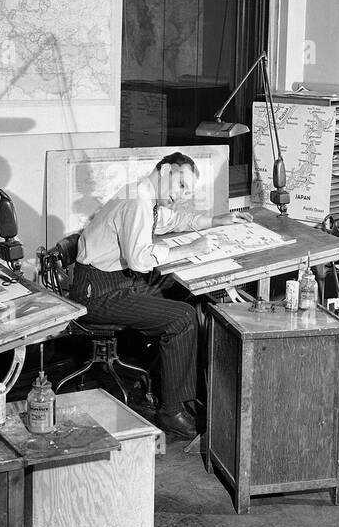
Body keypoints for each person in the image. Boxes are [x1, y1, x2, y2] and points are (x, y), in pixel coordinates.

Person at [70, 152, 246, 441]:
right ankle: (171, 411)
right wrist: (189, 250)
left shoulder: (144, 195)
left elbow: (172, 220)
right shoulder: (138, 200)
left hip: (117, 282)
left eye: (187, 191)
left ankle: (173, 383)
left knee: (186, 294)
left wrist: (216, 220)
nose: (182, 196)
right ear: (165, 170)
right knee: (183, 317)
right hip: (97, 293)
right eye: (181, 186)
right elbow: (139, 261)